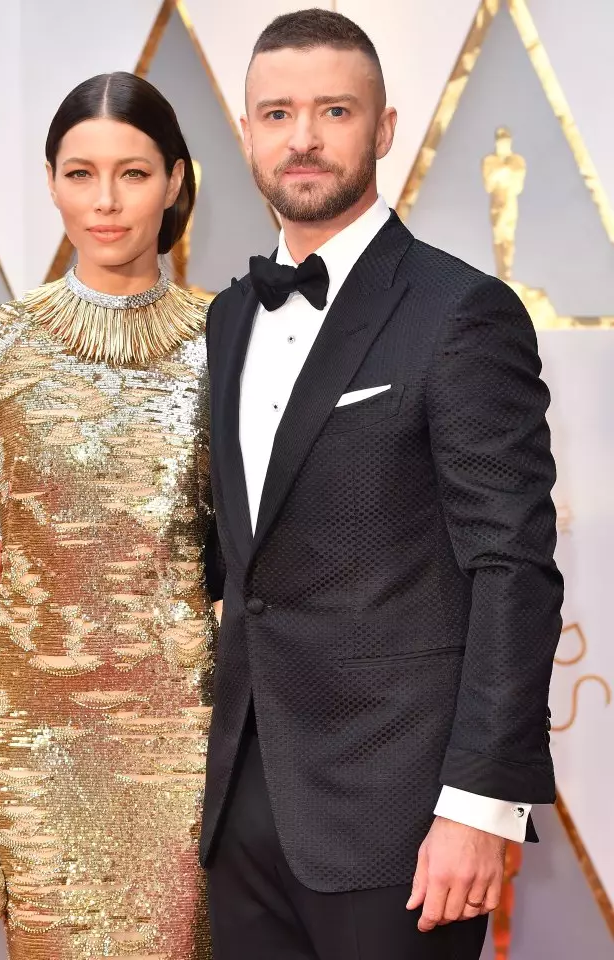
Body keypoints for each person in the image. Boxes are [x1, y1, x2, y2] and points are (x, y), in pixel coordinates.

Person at [201, 10, 562, 960]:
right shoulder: (229, 317)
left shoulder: (461, 313)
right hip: (243, 804)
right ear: (246, 134)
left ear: (386, 129)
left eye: (334, 111)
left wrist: (482, 806)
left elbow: (513, 566)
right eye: (277, 113)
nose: (304, 138)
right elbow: (250, 541)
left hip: (402, 821)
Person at [0, 72, 222, 960]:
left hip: (187, 732)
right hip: (32, 736)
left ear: (175, 181)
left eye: (133, 172)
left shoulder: (232, 340)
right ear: (51, 182)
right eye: (80, 173)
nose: (106, 201)